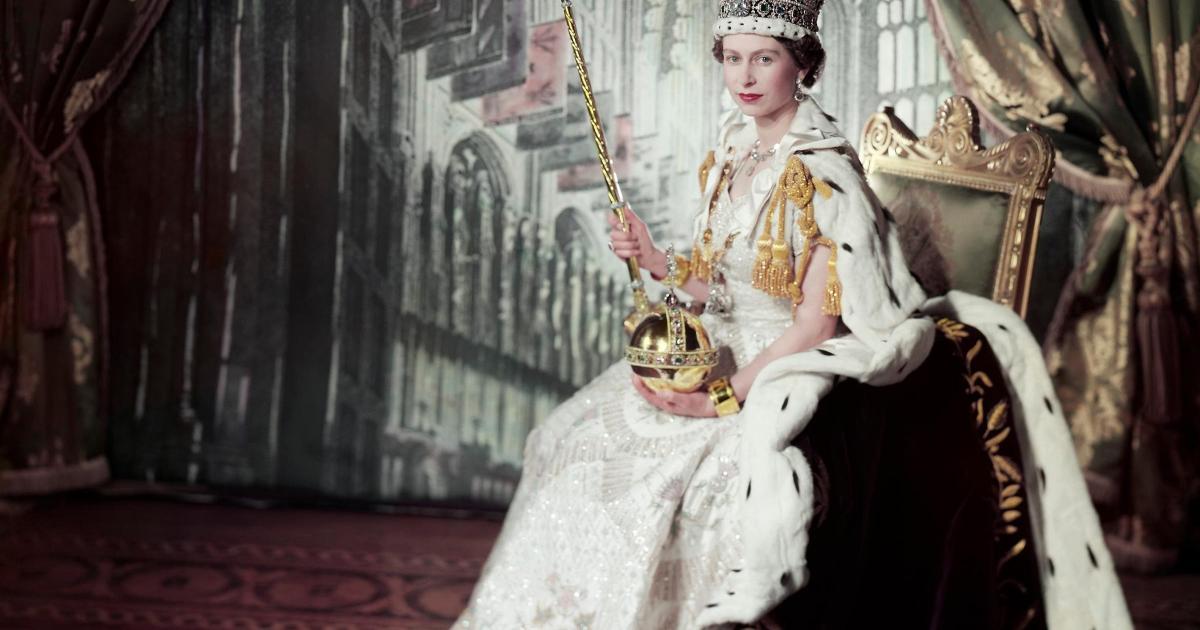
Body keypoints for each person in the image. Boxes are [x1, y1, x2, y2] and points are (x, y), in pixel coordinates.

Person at [455, 1, 1129, 628]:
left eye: (764, 58)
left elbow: (814, 327)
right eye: (732, 58)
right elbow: (719, 283)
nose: (744, 77)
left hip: (784, 366)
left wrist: (719, 399)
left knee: (689, 487)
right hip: (718, 341)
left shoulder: (827, 179)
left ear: (802, 64)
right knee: (568, 439)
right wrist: (657, 259)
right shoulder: (733, 150)